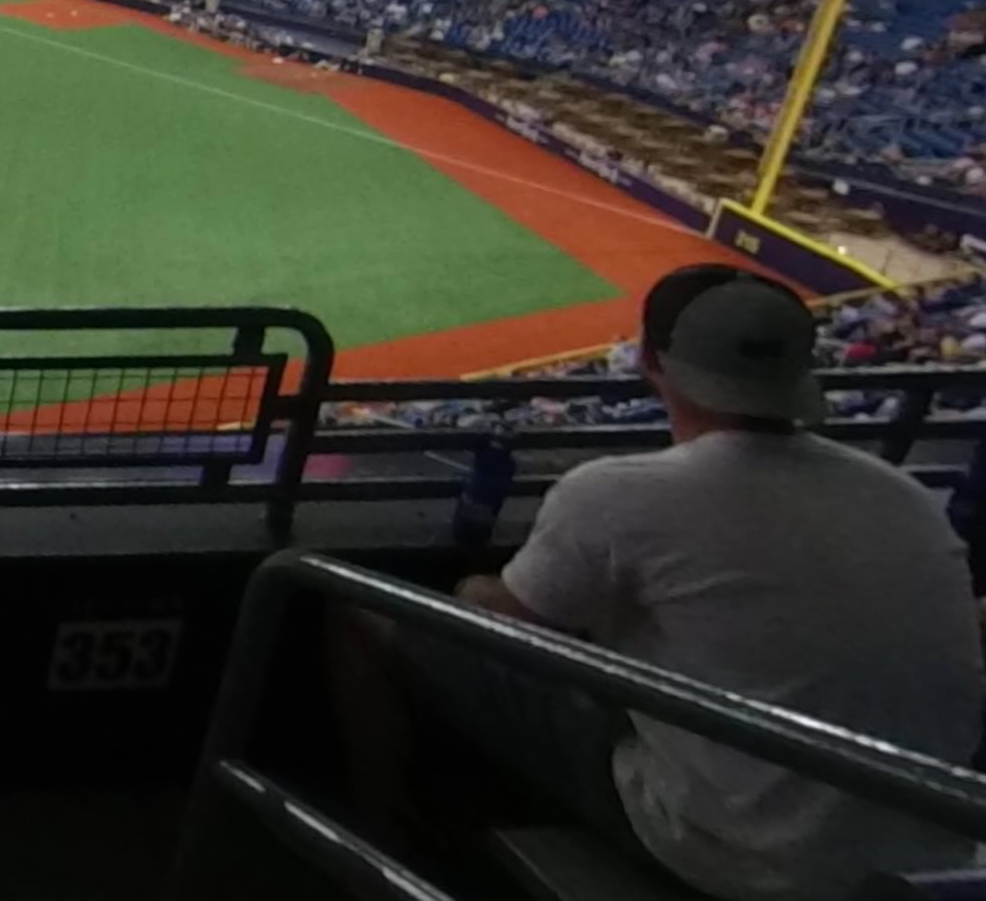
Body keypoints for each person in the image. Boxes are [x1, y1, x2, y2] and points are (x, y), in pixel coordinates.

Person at [343, 264, 983, 900]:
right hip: (934, 857)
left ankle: (384, 850)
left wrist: (474, 591)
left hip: (740, 856)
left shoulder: (619, 491)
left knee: (358, 607)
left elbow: (498, 629)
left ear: (650, 358)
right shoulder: (906, 497)